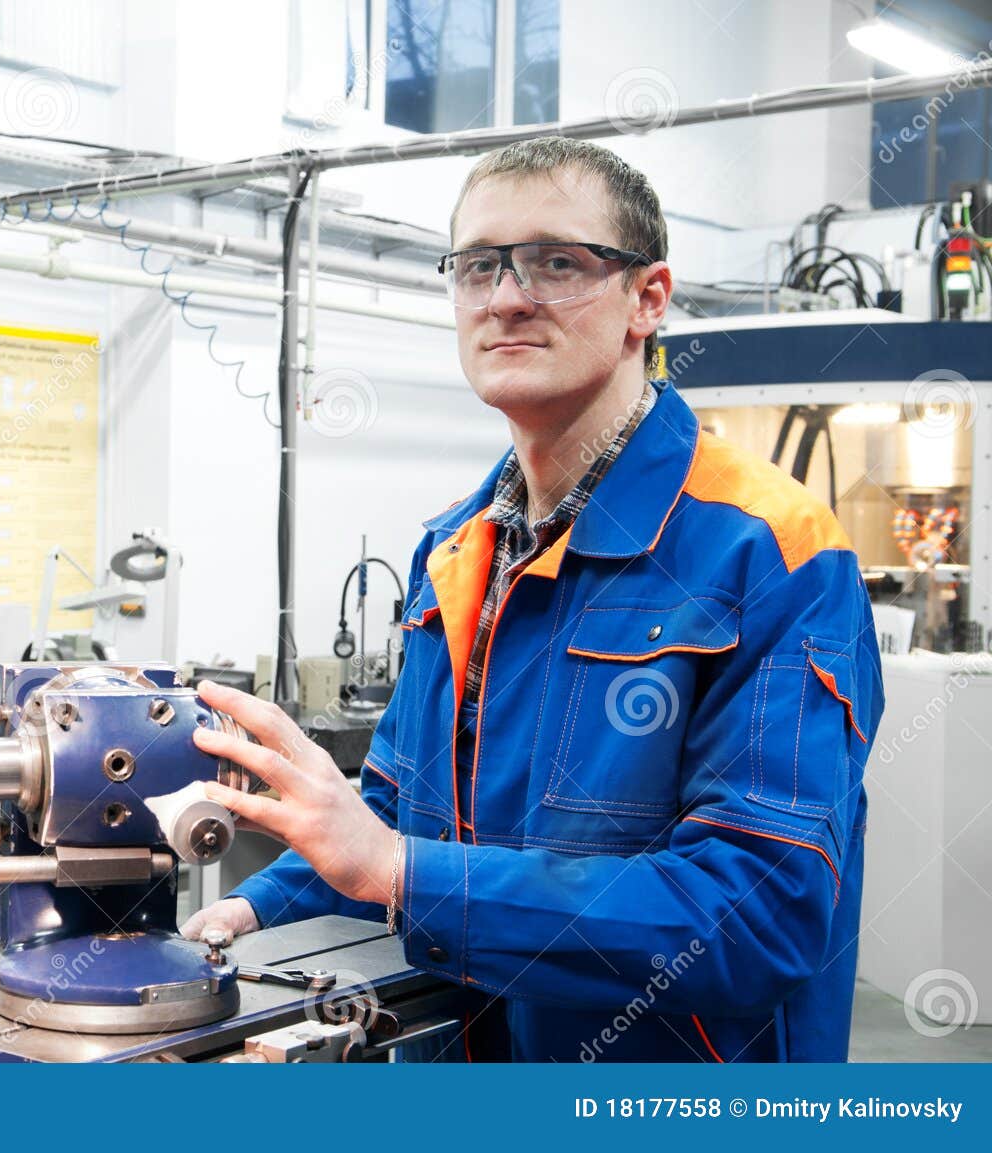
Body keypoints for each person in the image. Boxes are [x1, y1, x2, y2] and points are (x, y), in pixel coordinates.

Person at [183, 136, 883, 1062]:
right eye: (479, 265)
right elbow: (394, 813)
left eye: (556, 262)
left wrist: (401, 871)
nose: (507, 297)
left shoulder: (773, 552)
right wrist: (249, 907)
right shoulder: (454, 548)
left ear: (648, 299)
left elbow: (757, 914)